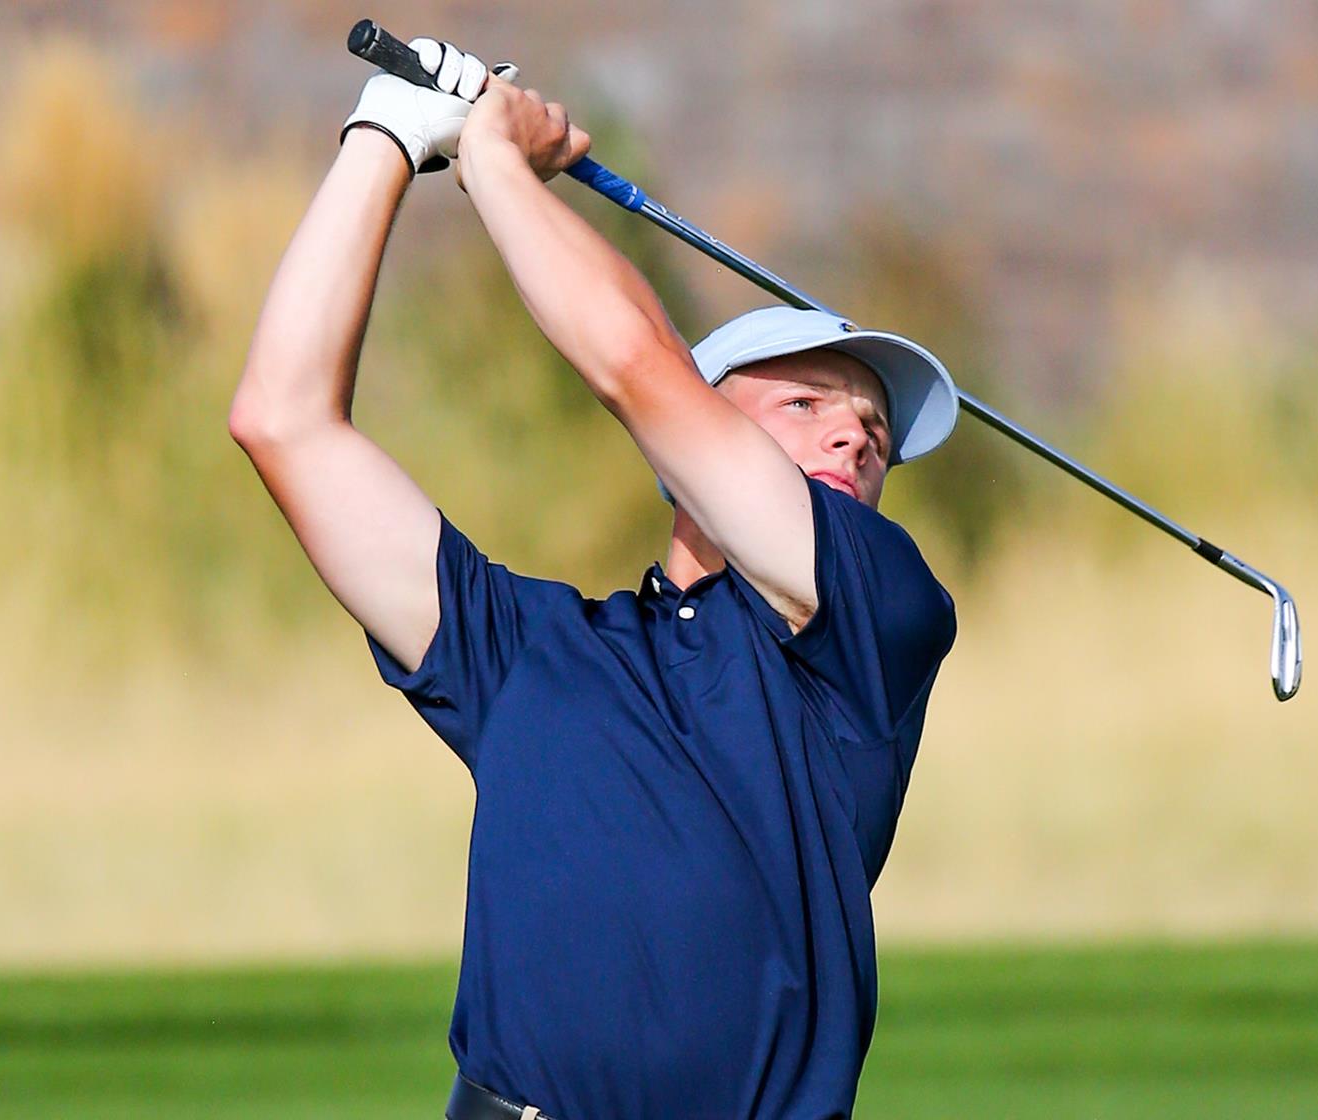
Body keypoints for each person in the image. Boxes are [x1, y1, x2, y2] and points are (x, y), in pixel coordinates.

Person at [229, 37, 960, 1120]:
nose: (855, 440)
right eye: (805, 405)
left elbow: (629, 362)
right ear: (691, 448)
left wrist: (493, 160)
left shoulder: (876, 612)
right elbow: (282, 420)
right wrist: (383, 136)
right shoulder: (528, 652)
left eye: (873, 432)